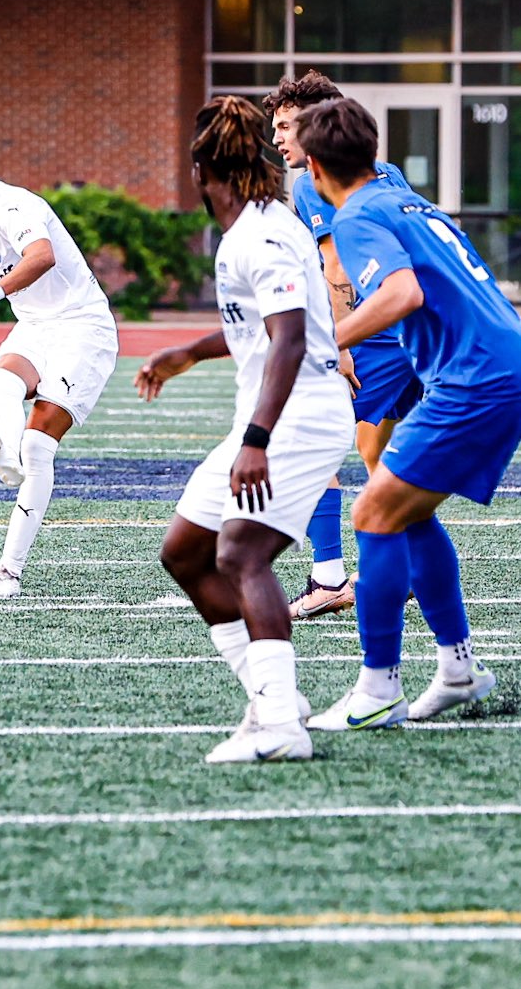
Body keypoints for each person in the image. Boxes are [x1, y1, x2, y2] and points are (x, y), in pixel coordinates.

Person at [135, 97, 354, 764]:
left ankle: (281, 725)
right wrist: (189, 353)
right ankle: (271, 695)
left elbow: (288, 341)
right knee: (185, 551)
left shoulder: (260, 233)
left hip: (301, 414)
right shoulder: (247, 231)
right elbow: (259, 331)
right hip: (267, 413)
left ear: (203, 170)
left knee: (241, 554)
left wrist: (256, 439)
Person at [297, 96, 516, 728]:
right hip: (493, 364)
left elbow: (401, 292)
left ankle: (378, 687)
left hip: (475, 378)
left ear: (314, 167)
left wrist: (323, 341)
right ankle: (458, 668)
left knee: (372, 511)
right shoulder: (403, 199)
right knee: (405, 511)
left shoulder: (359, 212)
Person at [0, 124, 118, 598]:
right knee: (4, 378)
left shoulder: (13, 205)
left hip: (82, 329)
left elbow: (42, 255)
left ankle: (8, 572)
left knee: (39, 448)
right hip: (37, 325)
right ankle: (4, 455)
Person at [265, 71, 424, 620]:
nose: (278, 138)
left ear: (314, 125)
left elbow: (337, 265)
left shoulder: (314, 176)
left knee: (304, 436)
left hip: (375, 332)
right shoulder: (387, 170)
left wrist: (340, 347)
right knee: (377, 453)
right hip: (413, 334)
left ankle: (329, 576)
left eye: (286, 125)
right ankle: (398, 570)